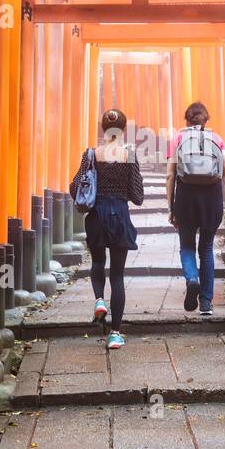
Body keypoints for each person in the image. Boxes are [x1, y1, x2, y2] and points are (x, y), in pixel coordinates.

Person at [70, 108, 144, 349]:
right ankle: (115, 333)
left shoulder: (91, 154)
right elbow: (138, 196)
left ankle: (99, 300)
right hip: (120, 216)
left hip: (97, 216)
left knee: (98, 263)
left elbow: (75, 188)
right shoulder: (129, 155)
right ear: (123, 129)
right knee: (118, 275)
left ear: (103, 128)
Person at [165, 101, 225, 317]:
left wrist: (171, 206)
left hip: (185, 197)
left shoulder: (178, 138)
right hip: (211, 198)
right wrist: (215, 181)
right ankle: (206, 303)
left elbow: (170, 175)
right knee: (206, 249)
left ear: (186, 119)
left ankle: (192, 279)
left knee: (186, 245)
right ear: (206, 119)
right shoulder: (217, 138)